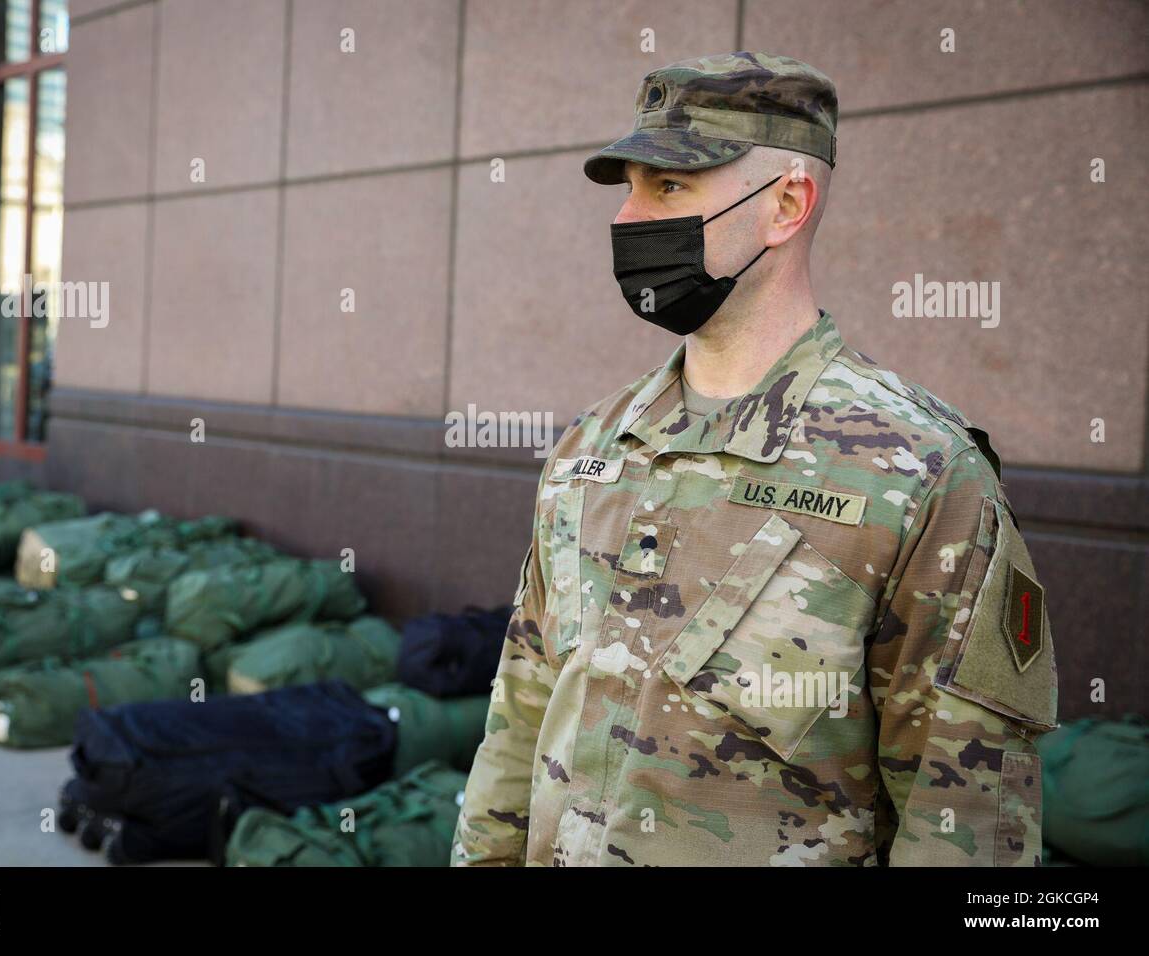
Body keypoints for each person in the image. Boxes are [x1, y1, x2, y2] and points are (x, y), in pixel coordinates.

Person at [452, 52, 1057, 867]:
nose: (630, 220)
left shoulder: (919, 473)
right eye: (630, 188)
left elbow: (964, 824)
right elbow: (517, 732)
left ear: (786, 205)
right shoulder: (590, 448)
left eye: (668, 189)